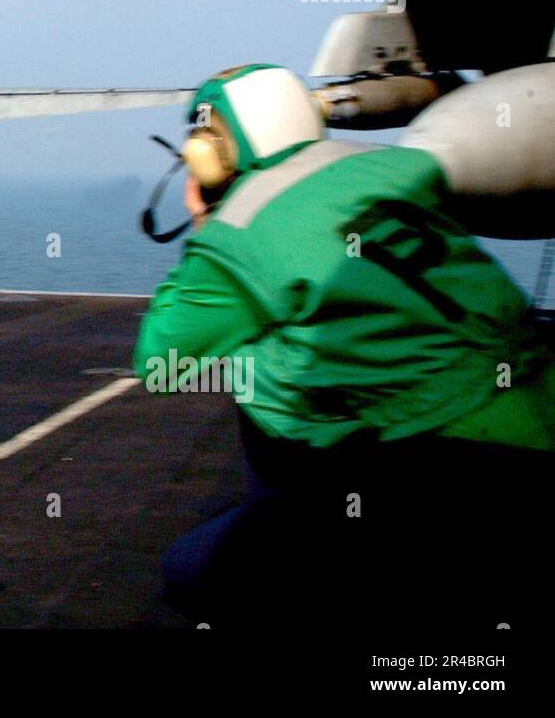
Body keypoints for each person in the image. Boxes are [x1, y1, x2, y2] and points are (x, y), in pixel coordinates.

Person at [134, 63, 554, 626]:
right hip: (536, 417)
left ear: (213, 152)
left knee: (192, 572)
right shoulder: (399, 166)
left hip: (434, 471)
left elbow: (160, 362)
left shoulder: (240, 230)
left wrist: (205, 226)